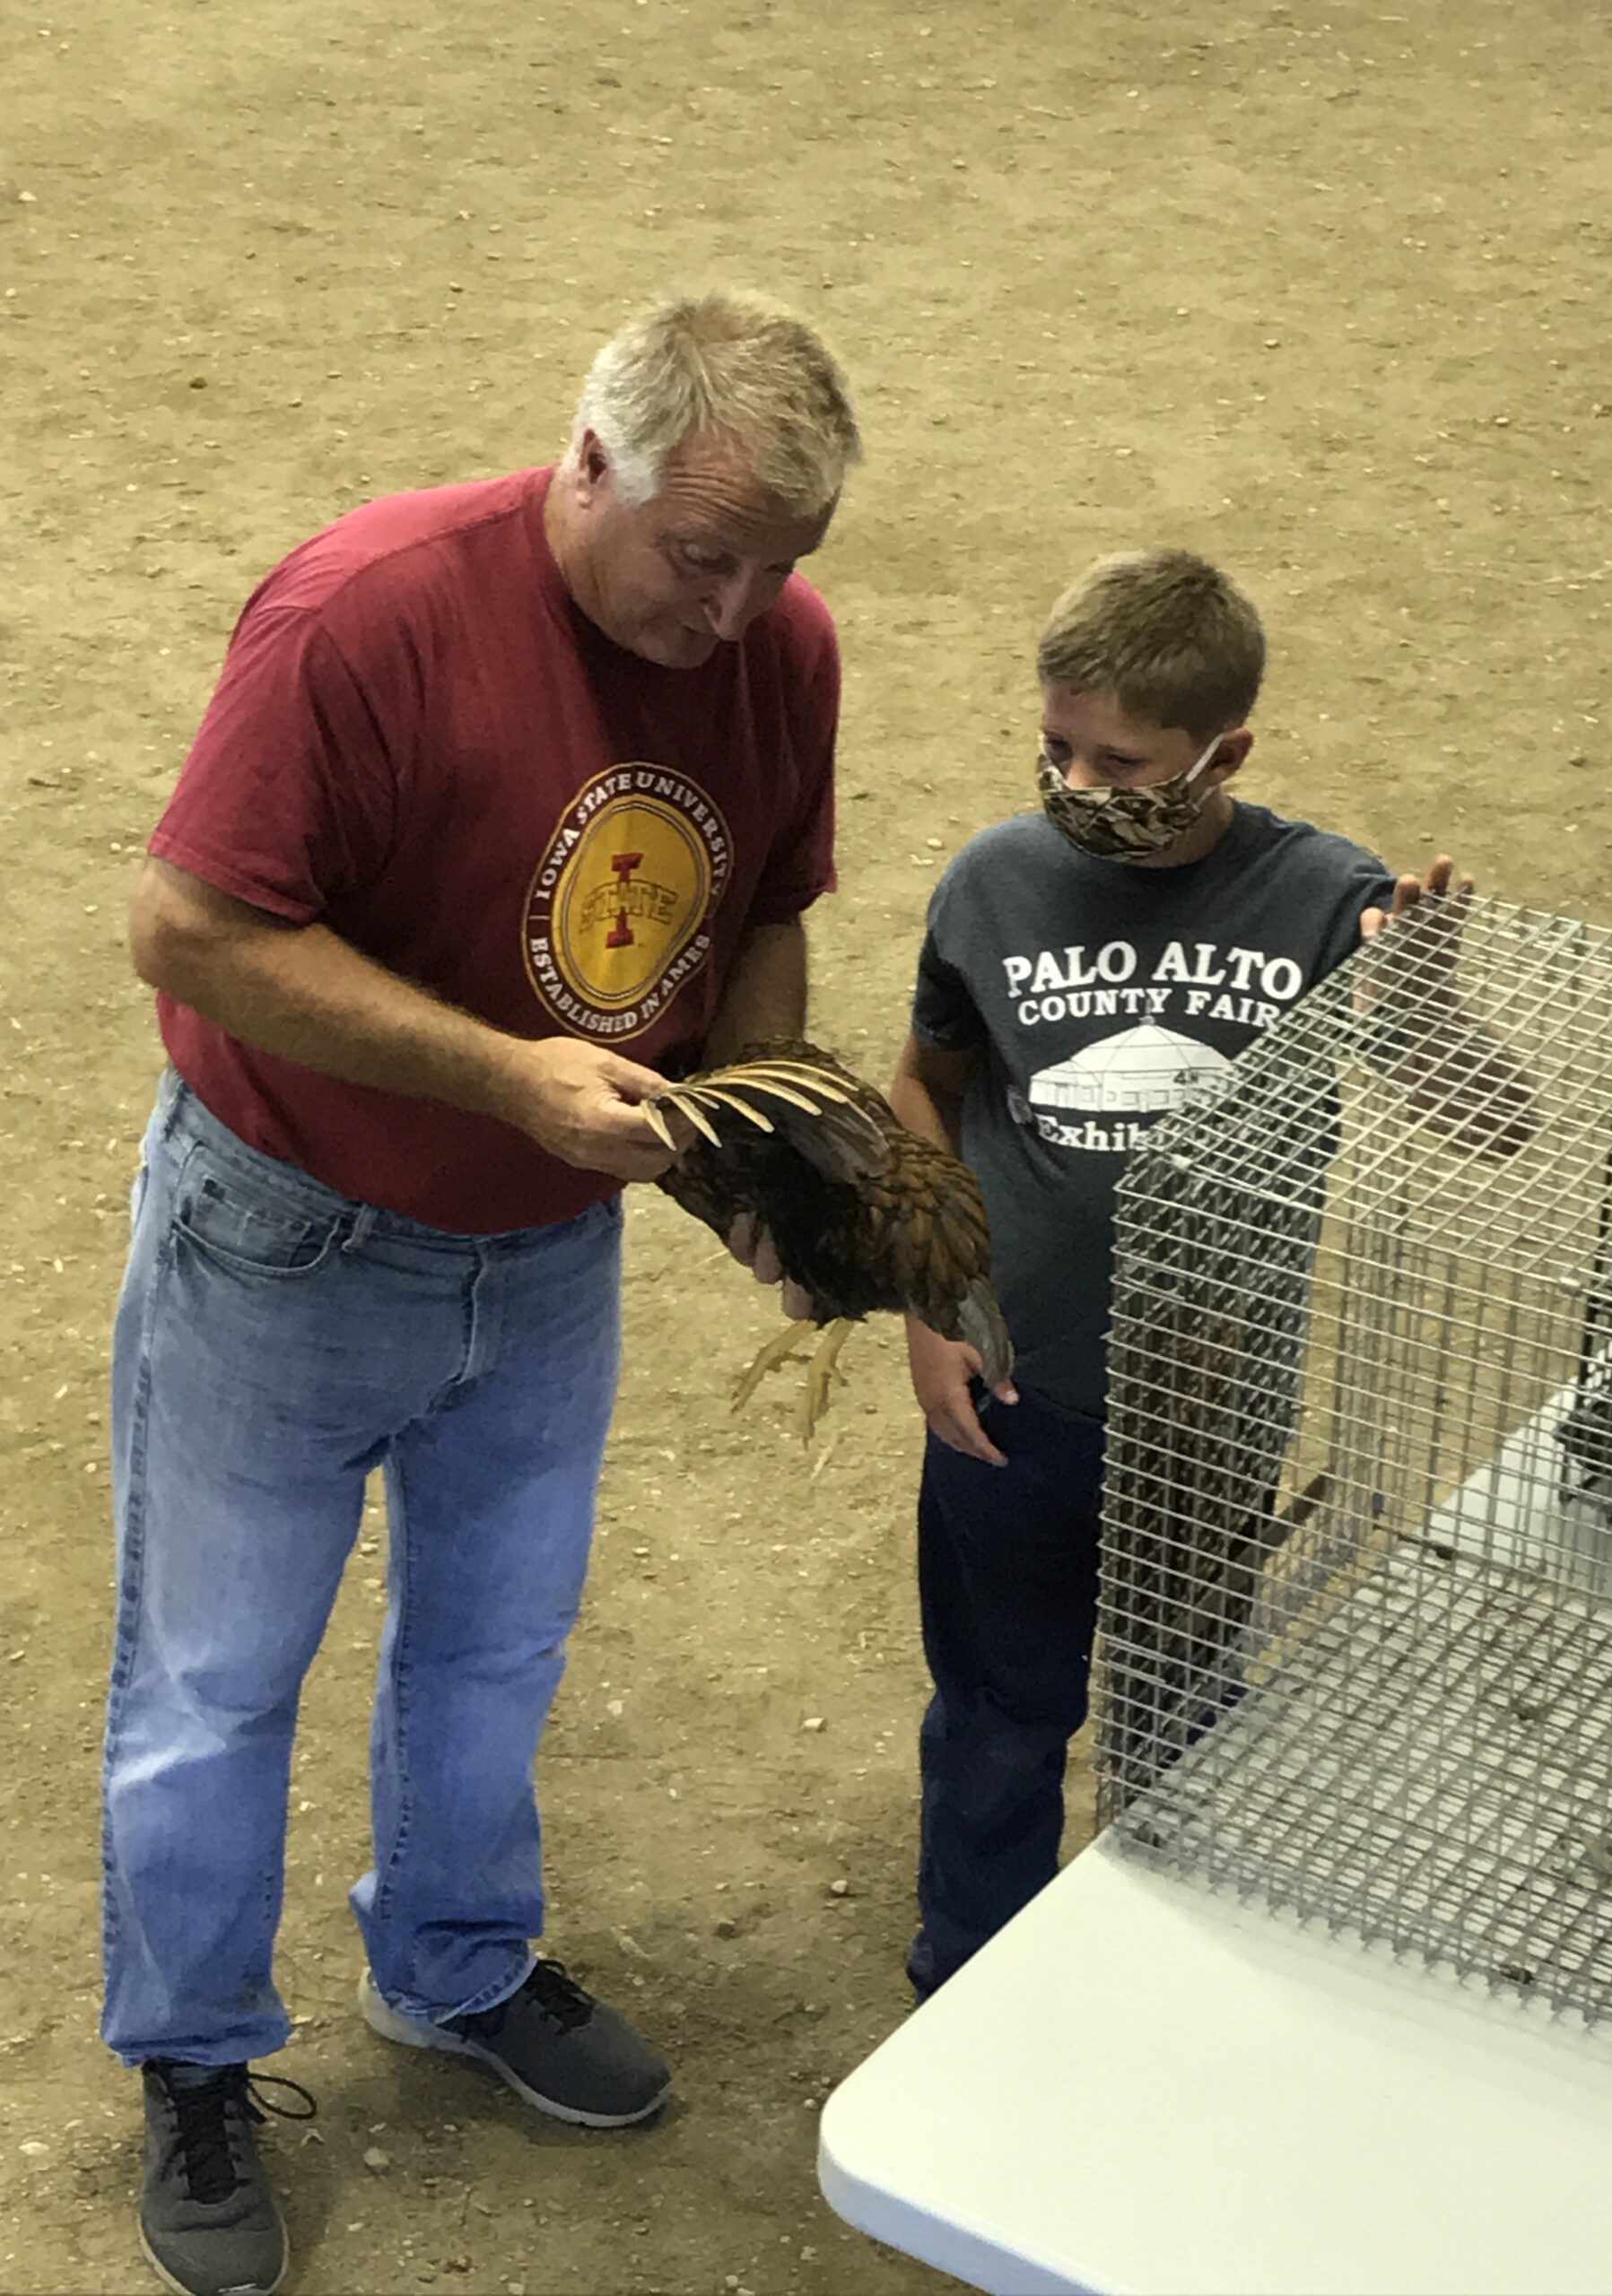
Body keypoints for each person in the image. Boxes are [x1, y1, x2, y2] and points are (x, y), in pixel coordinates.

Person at [103, 290, 860, 2296]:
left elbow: (767, 894)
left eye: (780, 565)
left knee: (496, 1650)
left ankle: (456, 1966)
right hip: (289, 1232)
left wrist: (748, 1135)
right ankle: (191, 2053)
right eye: (705, 557)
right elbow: (184, 925)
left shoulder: (781, 643)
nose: (740, 609)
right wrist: (503, 1071)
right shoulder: (363, 615)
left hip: (548, 1257)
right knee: (214, 1680)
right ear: (583, 460)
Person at [888, 548, 1509, 2001]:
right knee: (996, 1707)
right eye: (1057, 748)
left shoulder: (1325, 902)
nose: (1083, 787)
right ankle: (969, 1980)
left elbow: (1490, 1128)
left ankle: (1155, 1986)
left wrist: (1426, 1008)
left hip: (1210, 1413)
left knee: (1181, 1707)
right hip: (1009, 1386)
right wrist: (932, 1309)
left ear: (1228, 749)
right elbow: (925, 1088)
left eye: (1126, 761)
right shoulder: (993, 882)